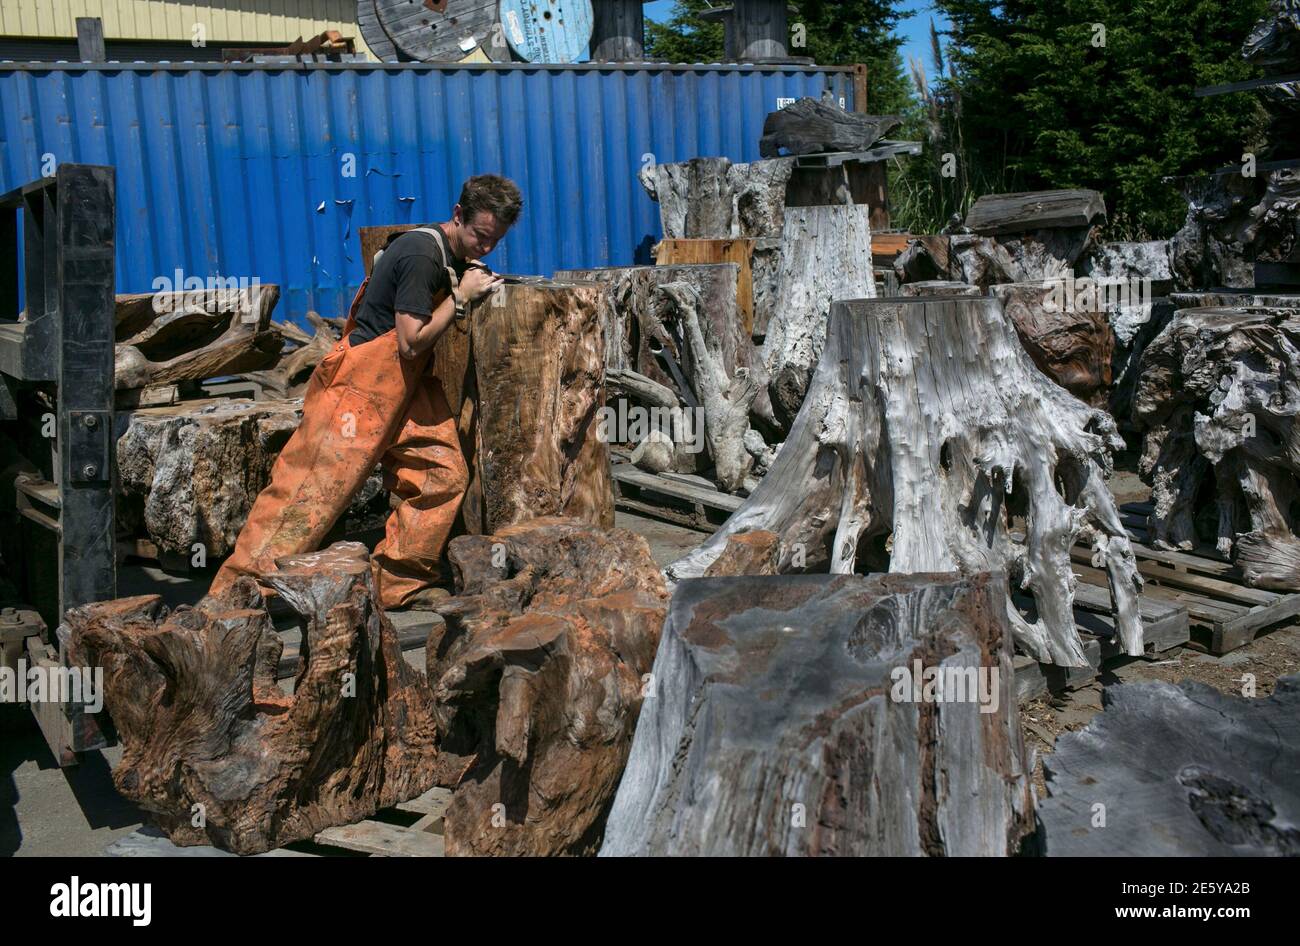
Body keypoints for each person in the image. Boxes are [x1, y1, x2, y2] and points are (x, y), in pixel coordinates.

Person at [209, 174, 522, 608]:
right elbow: (410, 340)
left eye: (495, 241)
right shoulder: (420, 254)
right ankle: (234, 601)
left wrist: (469, 276)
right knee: (306, 496)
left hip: (406, 383)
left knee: (442, 476)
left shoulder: (451, 255)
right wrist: (462, 297)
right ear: (457, 216)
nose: (485, 248)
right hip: (361, 385)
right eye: (480, 236)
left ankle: (396, 583)